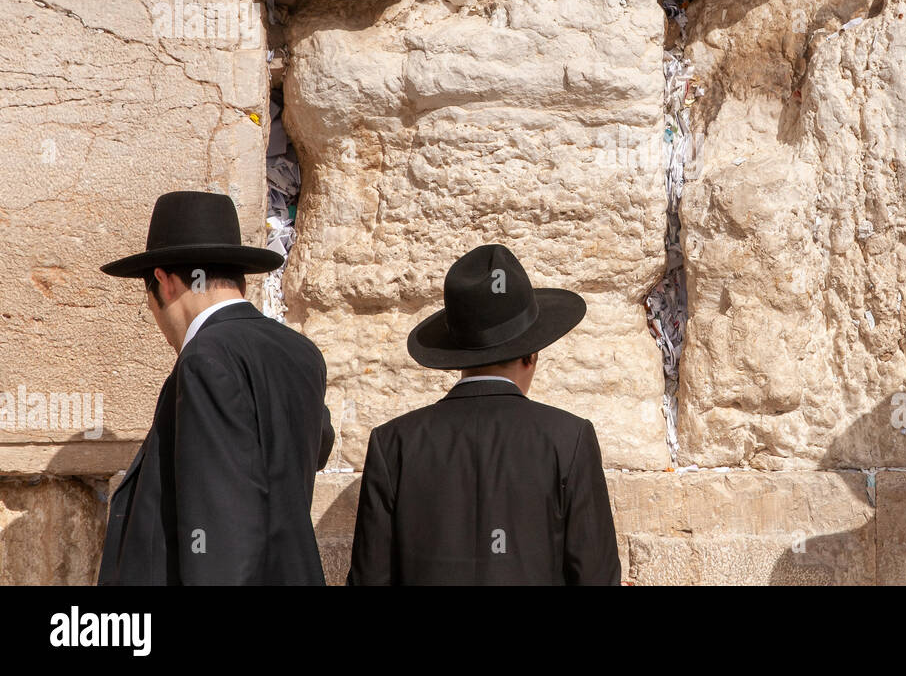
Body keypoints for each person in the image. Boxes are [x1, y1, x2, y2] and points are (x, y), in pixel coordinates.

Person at [347, 243, 620, 585]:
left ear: (456, 355)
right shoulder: (569, 438)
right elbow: (596, 575)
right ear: (531, 353)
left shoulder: (392, 444)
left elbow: (369, 578)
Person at [98, 190, 334, 585]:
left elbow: (219, 525)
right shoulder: (300, 351)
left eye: (149, 303)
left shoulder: (205, 358)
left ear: (164, 282)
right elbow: (314, 448)